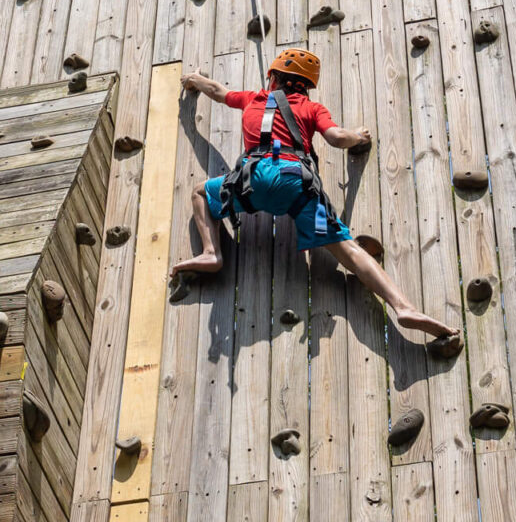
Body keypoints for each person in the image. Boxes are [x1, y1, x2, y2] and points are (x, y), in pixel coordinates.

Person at [170, 47, 457, 339]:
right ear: (306, 87)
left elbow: (218, 91)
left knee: (201, 194)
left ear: (274, 79)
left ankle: (211, 252)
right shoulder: (311, 109)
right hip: (298, 188)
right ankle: (403, 307)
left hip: (251, 183)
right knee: (348, 250)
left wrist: (194, 79)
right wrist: (360, 136)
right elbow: (336, 137)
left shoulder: (252, 99)